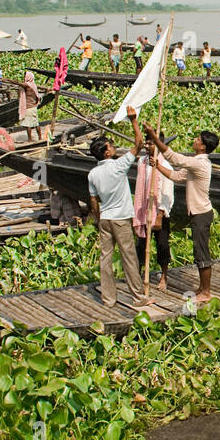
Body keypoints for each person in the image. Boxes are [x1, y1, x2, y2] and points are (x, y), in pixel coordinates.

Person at [145, 123, 218, 303]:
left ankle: (206, 292)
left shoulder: (199, 163)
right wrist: (158, 166)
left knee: (201, 252)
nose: (194, 140)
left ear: (203, 146)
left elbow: (175, 159)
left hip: (201, 213)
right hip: (198, 212)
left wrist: (155, 139)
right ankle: (202, 287)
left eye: (198, 139)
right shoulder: (195, 163)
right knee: (198, 249)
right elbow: (177, 176)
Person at [87, 113, 146, 306]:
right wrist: (133, 120)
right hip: (120, 218)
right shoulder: (118, 166)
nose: (114, 147)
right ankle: (137, 297)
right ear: (106, 153)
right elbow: (139, 143)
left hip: (105, 218)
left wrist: (97, 218)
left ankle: (108, 298)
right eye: (111, 146)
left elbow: (93, 200)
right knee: (128, 257)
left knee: (106, 259)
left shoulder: (93, 174)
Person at [132, 140, 175, 291]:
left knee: (162, 244)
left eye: (151, 143)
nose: (147, 147)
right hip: (144, 210)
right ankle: (140, 275)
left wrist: (160, 214)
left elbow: (167, 192)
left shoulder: (165, 165)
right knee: (141, 244)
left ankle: (164, 276)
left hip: (159, 211)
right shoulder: (142, 162)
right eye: (147, 143)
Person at [18, 70, 42, 141]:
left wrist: (6, 80)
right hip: (33, 107)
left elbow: (17, 83)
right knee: (36, 123)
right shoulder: (33, 85)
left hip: (29, 108)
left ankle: (29, 139)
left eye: (25, 76)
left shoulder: (27, 85)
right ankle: (40, 137)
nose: (24, 78)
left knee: (28, 124)